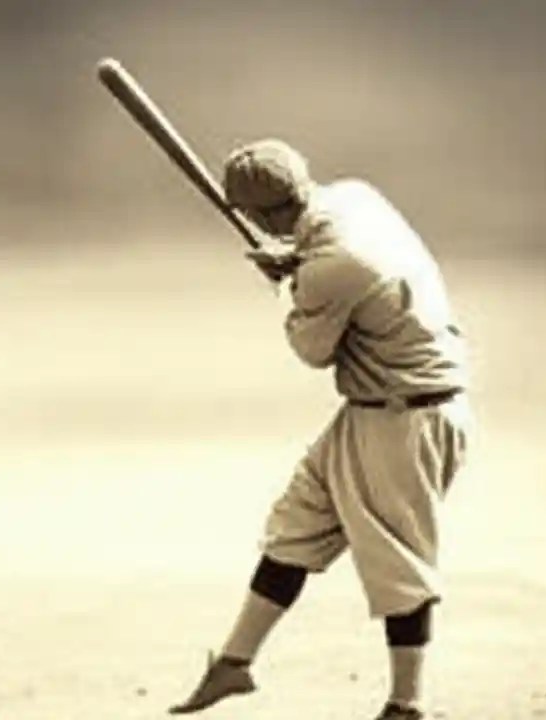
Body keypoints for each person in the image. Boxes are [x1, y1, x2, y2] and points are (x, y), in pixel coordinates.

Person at [168, 139, 474, 720]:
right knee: (295, 525)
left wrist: (287, 281)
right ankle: (235, 665)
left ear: (257, 216)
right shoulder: (355, 198)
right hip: (379, 408)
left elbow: (312, 349)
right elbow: (342, 264)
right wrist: (294, 259)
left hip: (409, 417)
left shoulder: (330, 268)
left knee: (398, 561)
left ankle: (406, 707)